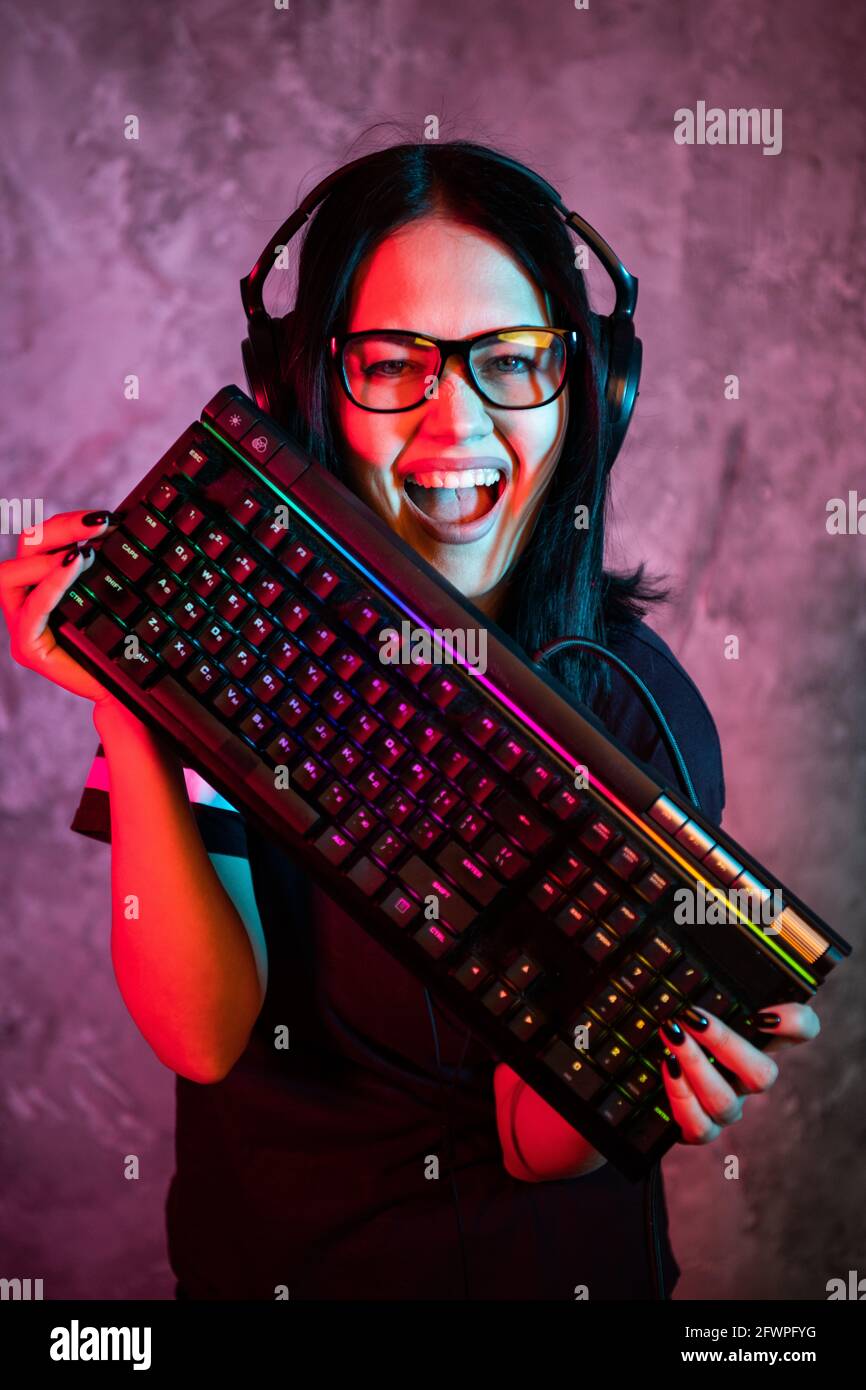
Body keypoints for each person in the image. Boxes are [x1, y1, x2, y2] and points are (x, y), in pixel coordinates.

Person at [0, 139, 821, 1301]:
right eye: (392, 367)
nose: (455, 428)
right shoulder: (229, 626)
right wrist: (132, 699)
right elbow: (204, 1033)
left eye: (511, 362)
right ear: (303, 391)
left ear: (590, 389)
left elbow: (536, 1147)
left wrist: (644, 1061)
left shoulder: (637, 714)